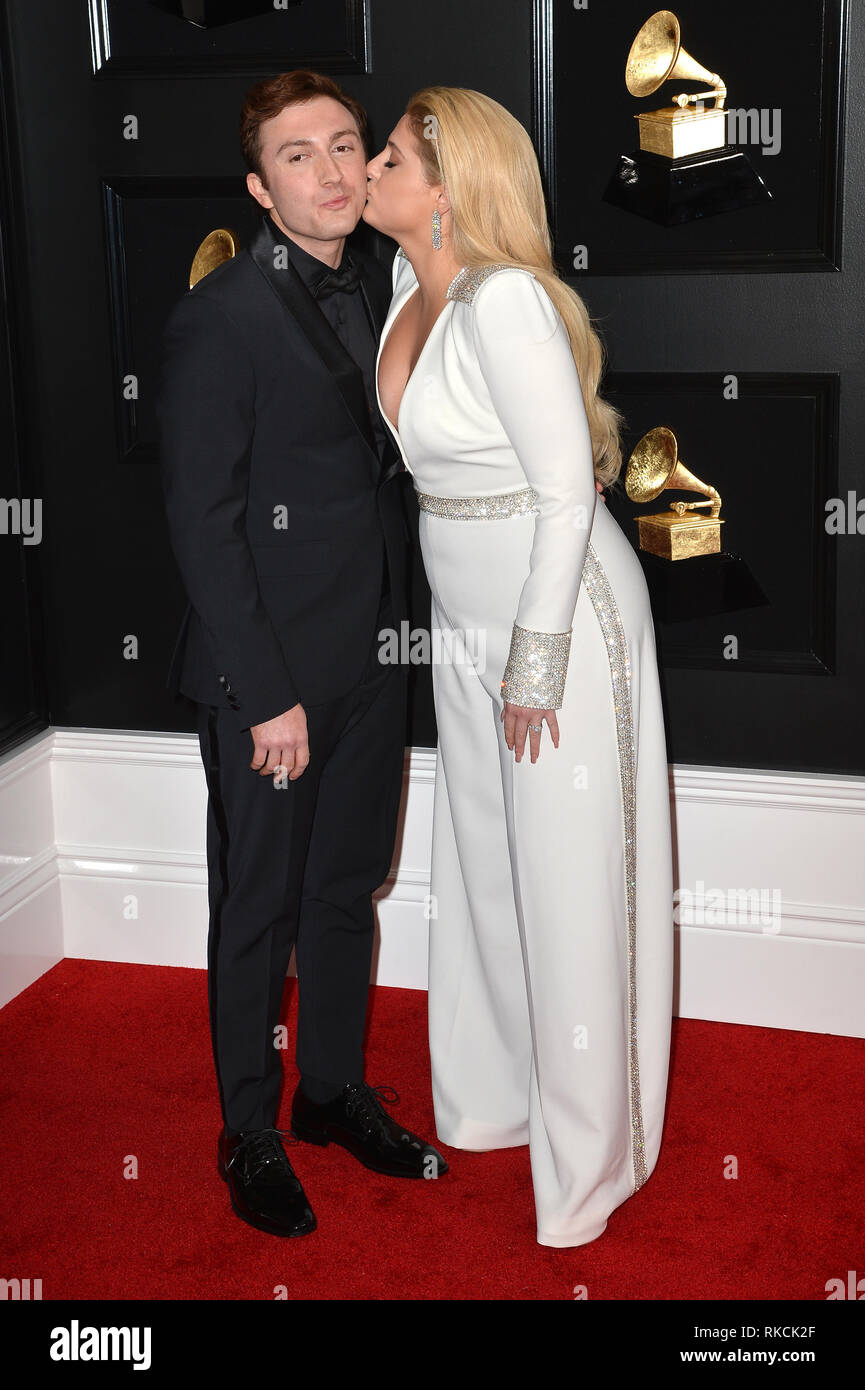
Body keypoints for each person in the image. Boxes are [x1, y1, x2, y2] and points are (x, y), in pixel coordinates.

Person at [364, 86, 674, 1248]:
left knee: (565, 879)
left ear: (445, 186)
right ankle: (491, 1102)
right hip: (462, 618)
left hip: (559, 618)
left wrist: (535, 664)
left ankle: (591, 1161)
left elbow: (560, 492)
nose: (367, 169)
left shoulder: (503, 305)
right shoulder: (406, 286)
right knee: (485, 868)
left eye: (387, 153)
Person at [156, 70, 447, 1240]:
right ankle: (249, 1130)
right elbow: (202, 524)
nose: (330, 172)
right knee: (255, 910)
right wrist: (266, 694)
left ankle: (327, 1093)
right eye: (297, 155)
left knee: (344, 892)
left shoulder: (383, 283)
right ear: (257, 186)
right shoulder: (220, 314)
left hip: (372, 660)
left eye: (344, 146)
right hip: (266, 680)